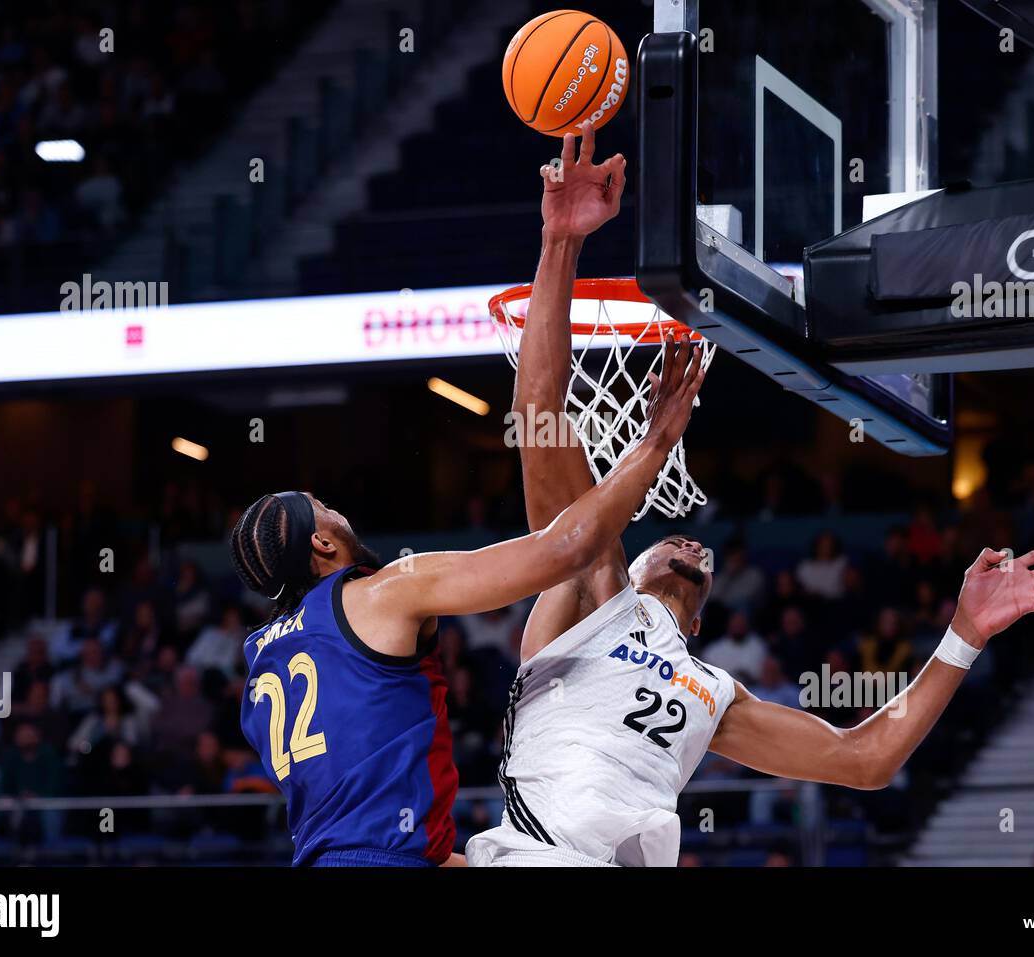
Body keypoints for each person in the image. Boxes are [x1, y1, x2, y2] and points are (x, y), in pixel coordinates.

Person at [466, 121, 1034, 867]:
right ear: (629, 568)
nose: (690, 540)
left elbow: (867, 759)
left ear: (700, 627)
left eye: (695, 546)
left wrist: (964, 631)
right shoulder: (595, 589)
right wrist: (561, 242)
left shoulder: (714, 692)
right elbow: (540, 407)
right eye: (667, 539)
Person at [229, 337, 704, 867]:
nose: (338, 512)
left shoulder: (259, 664)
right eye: (323, 508)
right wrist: (656, 442)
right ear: (321, 543)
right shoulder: (383, 592)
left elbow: (364, 832)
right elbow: (568, 548)